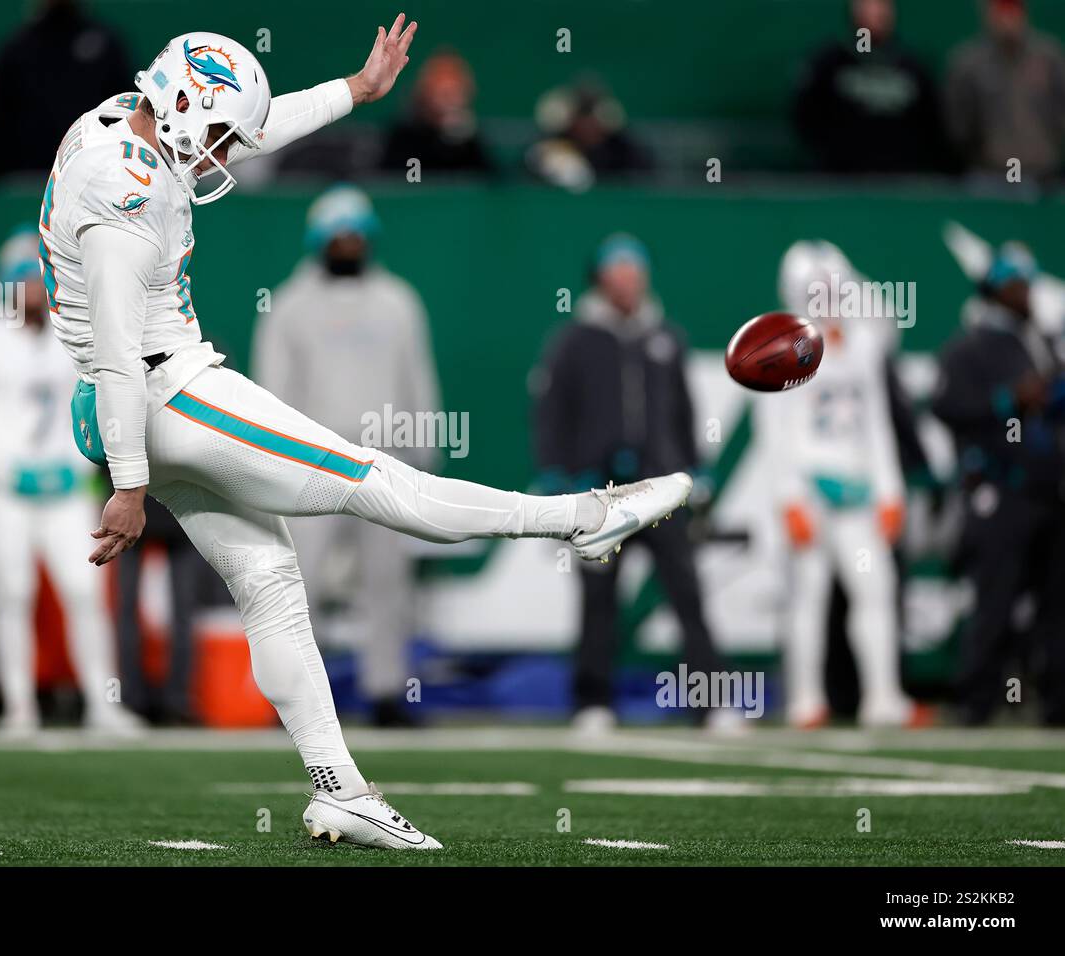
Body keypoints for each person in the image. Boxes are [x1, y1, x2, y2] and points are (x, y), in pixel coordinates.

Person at [35, 18, 692, 850]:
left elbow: (259, 126)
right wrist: (129, 485)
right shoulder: (122, 197)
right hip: (162, 391)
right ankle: (583, 519)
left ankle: (337, 789)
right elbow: (124, 354)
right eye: (220, 139)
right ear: (181, 115)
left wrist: (356, 88)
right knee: (373, 481)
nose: (229, 155)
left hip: (133, 395)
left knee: (270, 579)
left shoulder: (127, 117)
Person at [254, 185, 440, 727]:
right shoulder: (289, 306)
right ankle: (292, 698)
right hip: (311, 463)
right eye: (338, 234)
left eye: (356, 233)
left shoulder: (398, 302)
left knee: (387, 581)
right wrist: (272, 463)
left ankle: (385, 692)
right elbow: (272, 388)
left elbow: (418, 378)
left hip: (385, 462)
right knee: (297, 582)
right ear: (318, 240)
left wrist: (422, 455)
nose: (348, 243)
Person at [531, 234, 729, 732]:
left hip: (659, 489)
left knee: (687, 594)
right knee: (598, 601)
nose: (626, 282)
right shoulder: (574, 340)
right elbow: (552, 412)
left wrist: (693, 468)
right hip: (600, 492)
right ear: (600, 280)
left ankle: (711, 704)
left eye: (633, 271)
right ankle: (593, 702)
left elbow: (683, 411)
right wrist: (559, 471)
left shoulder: (665, 337)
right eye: (616, 272)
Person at [0, 229, 140, 734]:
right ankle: (19, 706)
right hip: (6, 486)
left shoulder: (77, 329)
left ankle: (103, 703)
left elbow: (100, 403)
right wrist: (8, 468)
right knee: (12, 591)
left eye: (39, 281)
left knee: (84, 590)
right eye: (23, 282)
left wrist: (75, 466)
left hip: (67, 487)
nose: (32, 291)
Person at [757, 241, 929, 729]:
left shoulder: (865, 343)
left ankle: (883, 697)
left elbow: (876, 425)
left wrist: (889, 491)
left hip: (856, 491)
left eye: (835, 288)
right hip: (811, 488)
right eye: (817, 289)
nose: (828, 297)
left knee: (876, 588)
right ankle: (807, 700)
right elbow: (775, 431)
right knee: (807, 596)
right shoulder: (778, 345)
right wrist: (788, 497)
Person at [932, 244, 1065, 726]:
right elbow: (947, 408)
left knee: (1055, 605)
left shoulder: (1039, 341)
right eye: (1017, 285)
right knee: (996, 599)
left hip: (1048, 489)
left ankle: (1056, 703)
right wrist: (1008, 400)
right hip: (1000, 489)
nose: (1026, 293)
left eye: (1028, 284)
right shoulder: (970, 347)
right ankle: (976, 700)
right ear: (996, 291)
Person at [793, 0, 950, 174]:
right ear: (854, 10)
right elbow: (806, 116)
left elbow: (931, 123)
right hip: (843, 177)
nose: (876, 12)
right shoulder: (831, 63)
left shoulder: (912, 66)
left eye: (881, 5)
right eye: (868, 5)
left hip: (901, 177)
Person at [0, 0, 131, 182]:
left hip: (93, 177)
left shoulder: (106, 44)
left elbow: (124, 113)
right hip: (26, 179)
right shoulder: (16, 48)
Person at [945, 0, 1065, 182]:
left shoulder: (1049, 57)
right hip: (989, 175)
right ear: (988, 15)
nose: (1007, 19)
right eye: (1000, 11)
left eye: (1012, 11)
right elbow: (959, 125)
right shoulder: (968, 63)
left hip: (1044, 175)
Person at [379, 49, 493, 175]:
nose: (450, 101)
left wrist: (461, 144)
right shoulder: (405, 136)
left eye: (456, 93)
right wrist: (441, 143)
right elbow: (405, 178)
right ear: (426, 94)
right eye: (444, 93)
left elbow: (487, 181)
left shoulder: (470, 139)